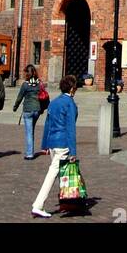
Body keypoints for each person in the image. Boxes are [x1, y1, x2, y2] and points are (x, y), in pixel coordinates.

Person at [32, 74, 79, 218]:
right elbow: (70, 128)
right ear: (72, 89)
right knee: (53, 173)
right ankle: (38, 204)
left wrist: (45, 144)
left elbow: (47, 124)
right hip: (63, 143)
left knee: (61, 173)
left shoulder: (54, 102)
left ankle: (67, 202)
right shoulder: (70, 104)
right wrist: (73, 151)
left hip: (52, 142)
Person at [13, 64, 43, 160]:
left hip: (28, 110)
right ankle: (30, 150)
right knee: (31, 130)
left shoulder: (25, 85)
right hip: (37, 110)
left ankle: (30, 153)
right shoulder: (39, 83)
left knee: (29, 132)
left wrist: (15, 107)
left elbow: (20, 97)